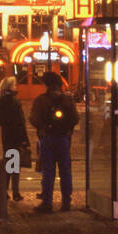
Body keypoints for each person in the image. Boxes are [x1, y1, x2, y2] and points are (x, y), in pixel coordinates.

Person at [29, 71, 79, 212]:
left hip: (48, 138)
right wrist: (68, 130)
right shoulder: (67, 100)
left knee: (48, 171)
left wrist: (42, 128)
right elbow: (75, 119)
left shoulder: (41, 100)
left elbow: (33, 118)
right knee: (65, 171)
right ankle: (66, 201)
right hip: (63, 138)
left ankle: (47, 202)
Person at [0, 77, 30, 202]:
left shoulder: (0, 101)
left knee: (9, 163)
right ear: (9, 86)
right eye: (14, 84)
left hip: (7, 135)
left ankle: (6, 191)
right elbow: (21, 121)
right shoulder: (13, 101)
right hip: (15, 135)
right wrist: (24, 138)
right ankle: (14, 192)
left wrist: (6, 124)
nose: (16, 86)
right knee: (14, 166)